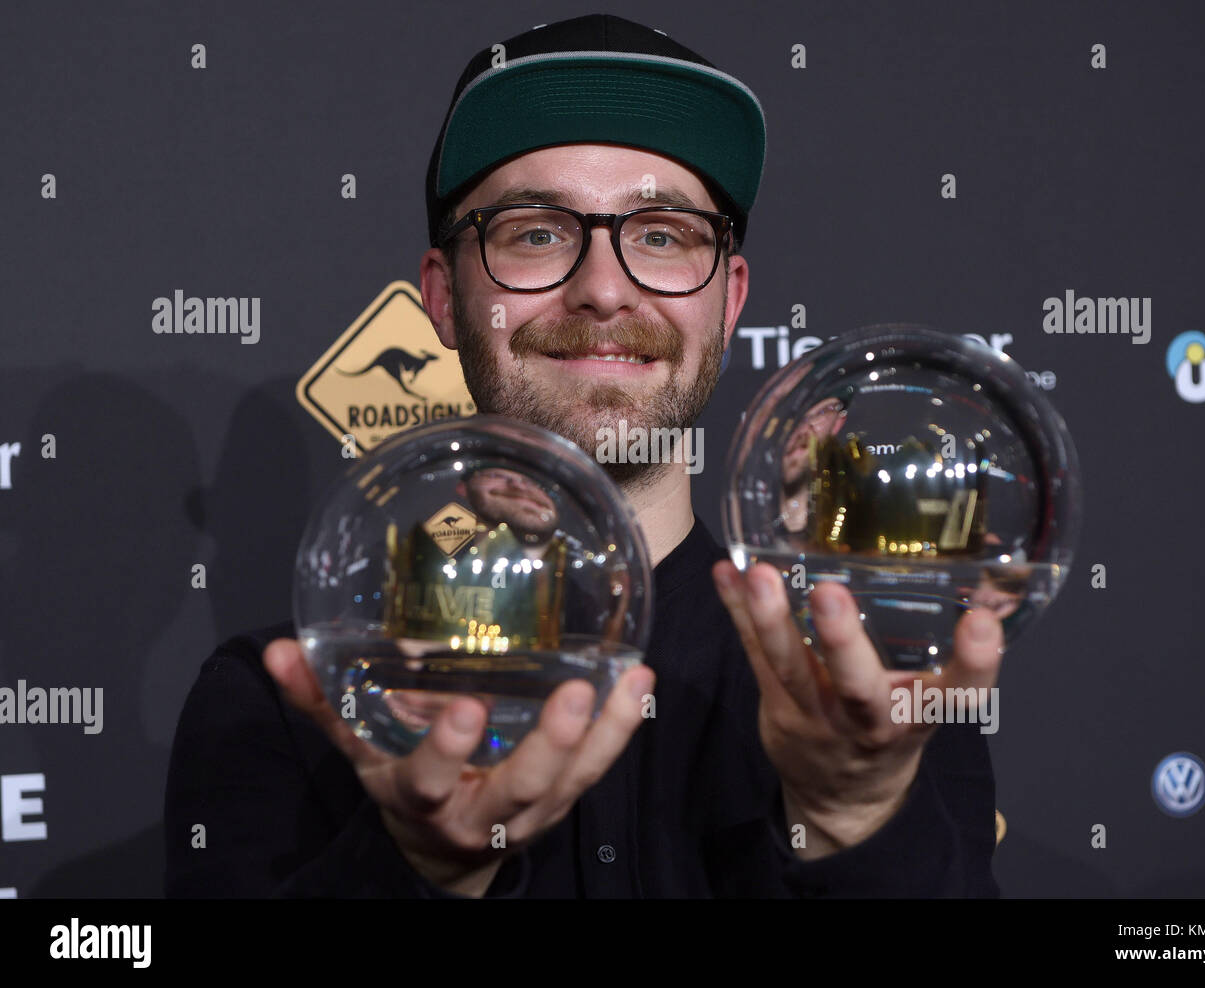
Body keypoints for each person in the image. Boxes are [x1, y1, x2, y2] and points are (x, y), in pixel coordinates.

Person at [164, 12, 1004, 898]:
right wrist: (422, 871)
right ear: (444, 299)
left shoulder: (869, 695)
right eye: (536, 232)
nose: (603, 288)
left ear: (729, 302)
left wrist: (855, 813)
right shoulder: (294, 703)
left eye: (661, 236)